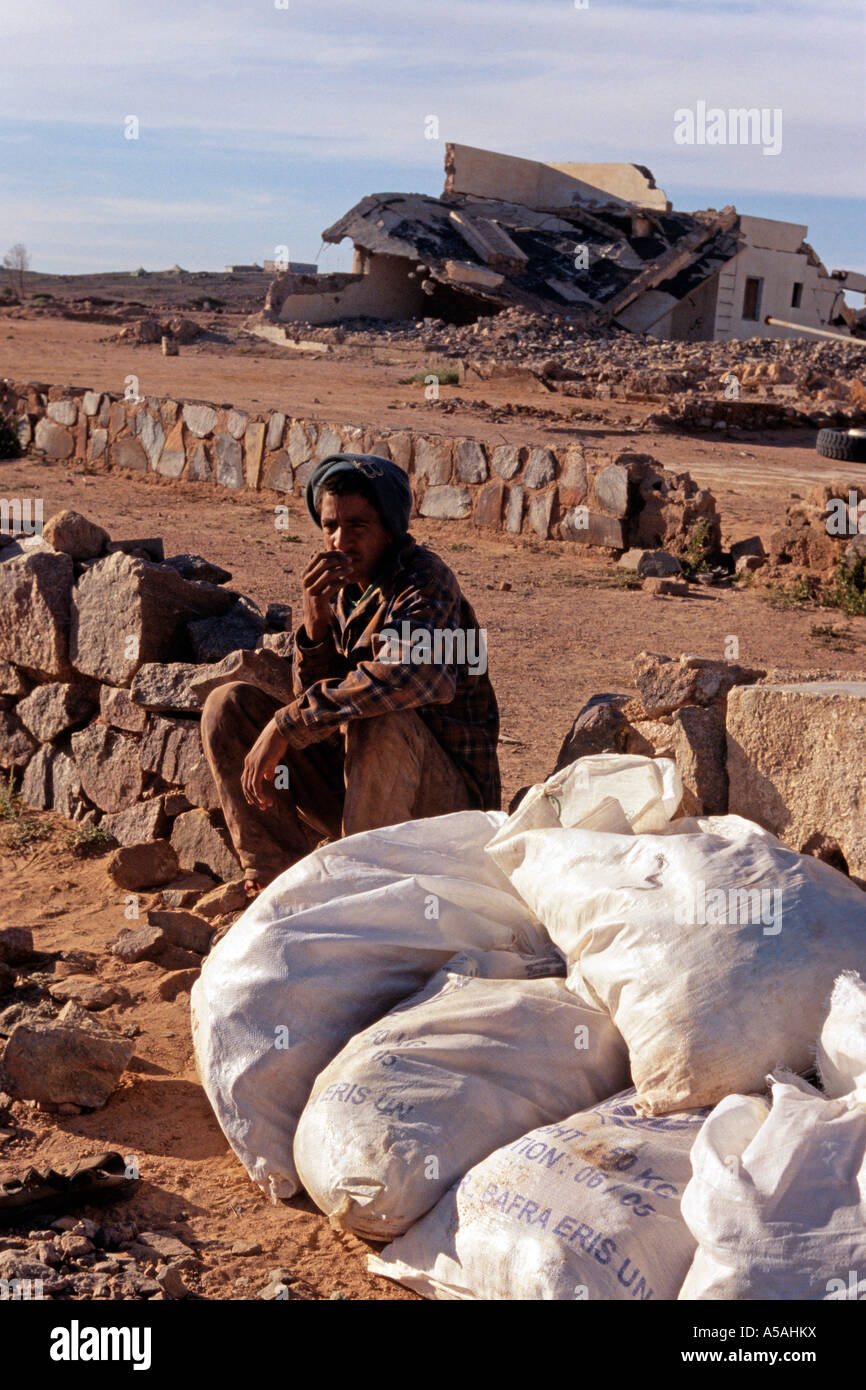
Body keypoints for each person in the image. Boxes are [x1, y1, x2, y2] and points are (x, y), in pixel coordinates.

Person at [201, 453, 500, 895]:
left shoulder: (426, 581)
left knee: (381, 713)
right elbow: (319, 705)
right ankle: (276, 879)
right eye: (330, 527)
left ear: (391, 530)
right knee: (229, 705)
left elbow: (416, 677)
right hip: (366, 790)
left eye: (357, 526)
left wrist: (288, 721)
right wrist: (316, 625)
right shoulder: (347, 593)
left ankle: (358, 893)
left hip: (448, 814)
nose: (340, 541)